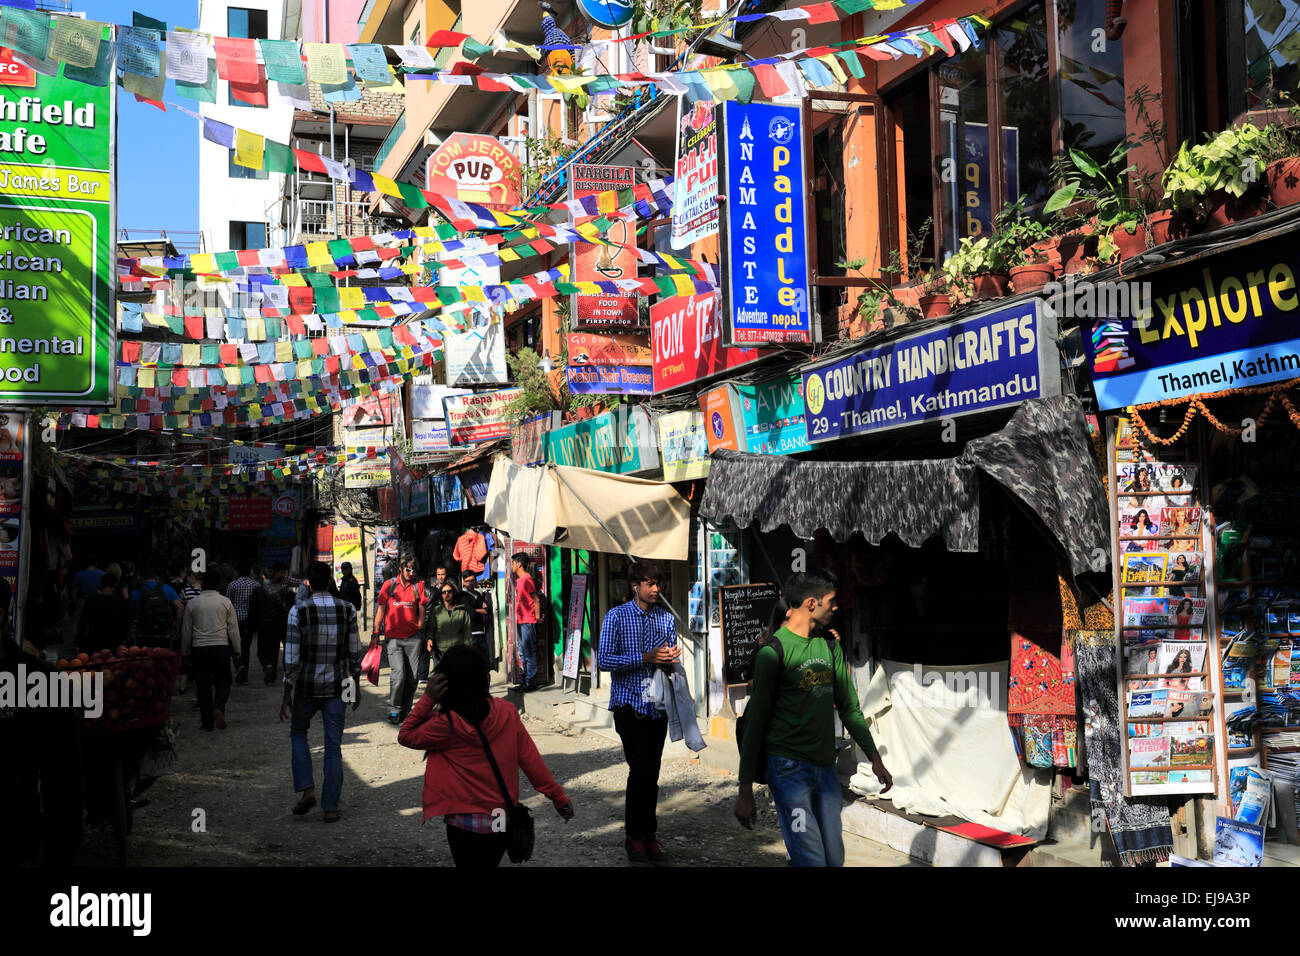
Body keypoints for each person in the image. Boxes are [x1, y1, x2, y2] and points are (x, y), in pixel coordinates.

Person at [734, 571, 893, 868]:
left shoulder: (830, 646)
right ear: (811, 603)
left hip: (824, 770)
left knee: (833, 858)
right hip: (787, 772)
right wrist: (745, 791)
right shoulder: (773, 652)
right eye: (831, 601)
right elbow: (754, 724)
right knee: (810, 858)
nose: (836, 607)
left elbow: (849, 707)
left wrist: (875, 758)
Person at [398, 644, 574, 867]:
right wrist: (558, 798)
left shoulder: (445, 724)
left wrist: (428, 699)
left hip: (462, 822)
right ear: (484, 678)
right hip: (501, 819)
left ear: (446, 683)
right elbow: (531, 761)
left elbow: (406, 735)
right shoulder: (507, 712)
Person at [597, 560, 678, 864]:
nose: (656, 589)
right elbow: (604, 660)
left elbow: (667, 659)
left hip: (657, 706)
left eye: (659, 583)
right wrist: (644, 657)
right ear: (635, 586)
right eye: (650, 583)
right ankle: (634, 836)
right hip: (627, 704)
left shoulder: (665, 619)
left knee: (652, 773)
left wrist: (669, 659)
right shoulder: (616, 617)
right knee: (640, 768)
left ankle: (649, 836)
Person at [280, 561, 362, 823]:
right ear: (329, 582)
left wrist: (286, 693)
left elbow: (291, 659)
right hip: (336, 688)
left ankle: (307, 790)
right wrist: (356, 685)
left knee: (298, 734)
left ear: (308, 583)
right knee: (333, 745)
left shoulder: (298, 612)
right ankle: (330, 807)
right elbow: (354, 653)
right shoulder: (347, 609)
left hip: (306, 688)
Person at [181, 570, 241, 732]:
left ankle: (207, 722)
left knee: (203, 685)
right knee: (224, 681)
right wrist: (237, 648)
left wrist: (185, 651)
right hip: (221, 647)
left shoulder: (193, 603)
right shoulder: (225, 602)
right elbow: (233, 629)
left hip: (199, 648)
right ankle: (219, 707)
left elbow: (186, 631)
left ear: (203, 583)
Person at [374, 554, 427, 725]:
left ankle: (405, 710)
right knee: (399, 674)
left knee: (412, 678)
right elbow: (381, 609)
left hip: (413, 638)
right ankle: (394, 710)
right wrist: (376, 633)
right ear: (401, 569)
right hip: (393, 639)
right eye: (408, 569)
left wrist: (420, 625)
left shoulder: (418, 586)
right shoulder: (389, 586)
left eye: (413, 570)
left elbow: (422, 607)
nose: (411, 573)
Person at [250, 567, 295, 685]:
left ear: (263, 577)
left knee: (262, 650)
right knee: (274, 651)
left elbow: (254, 608)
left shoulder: (258, 590)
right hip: (278, 624)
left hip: (263, 624)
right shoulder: (283, 589)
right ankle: (271, 677)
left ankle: (267, 665)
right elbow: (286, 608)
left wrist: (253, 624)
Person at [75, 573, 130, 655]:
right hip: (113, 642)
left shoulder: (91, 601)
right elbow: (124, 625)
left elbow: (83, 623)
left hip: (94, 641)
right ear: (114, 585)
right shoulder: (120, 603)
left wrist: (78, 643)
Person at [225, 560, 260, 685]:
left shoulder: (232, 585)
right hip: (249, 620)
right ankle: (244, 676)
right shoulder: (256, 584)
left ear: (238, 571)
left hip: (234, 620)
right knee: (246, 646)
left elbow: (228, 603)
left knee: (233, 644)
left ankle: (239, 665)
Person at [130, 565, 182, 648]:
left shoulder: (135, 592)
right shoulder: (168, 589)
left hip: (142, 635)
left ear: (140, 577)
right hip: (165, 634)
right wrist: (177, 629)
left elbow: (132, 614)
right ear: (156, 576)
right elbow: (180, 608)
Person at [512, 553, 541, 693]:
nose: (512, 566)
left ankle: (531, 682)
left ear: (519, 564)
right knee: (522, 652)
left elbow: (536, 599)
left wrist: (537, 616)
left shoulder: (527, 579)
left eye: (513, 563)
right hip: (520, 620)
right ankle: (525, 681)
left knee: (529, 652)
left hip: (528, 621)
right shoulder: (519, 580)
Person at [428, 581, 472, 662]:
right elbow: (431, 628)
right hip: (440, 651)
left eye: (449, 591)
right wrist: (430, 639)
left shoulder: (462, 610)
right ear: (441, 595)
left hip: (458, 651)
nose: (447, 594)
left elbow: (467, 631)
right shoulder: (436, 610)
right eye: (444, 592)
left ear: (453, 593)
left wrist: (468, 648)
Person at [69, 560, 105, 636]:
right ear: (96, 564)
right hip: (98, 602)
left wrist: (75, 603)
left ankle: (76, 638)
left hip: (83, 601)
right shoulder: (103, 574)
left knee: (77, 619)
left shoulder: (79, 575)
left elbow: (74, 593)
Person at [459, 570, 490, 654]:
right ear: (463, 582)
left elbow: (487, 610)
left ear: (476, 580)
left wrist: (477, 610)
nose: (470, 583)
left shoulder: (478, 595)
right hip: (470, 635)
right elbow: (471, 614)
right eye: (467, 581)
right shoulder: (462, 596)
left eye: (472, 580)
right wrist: (481, 611)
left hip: (481, 633)